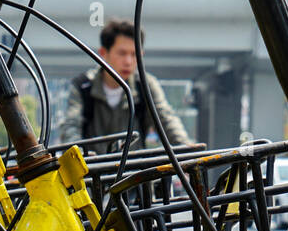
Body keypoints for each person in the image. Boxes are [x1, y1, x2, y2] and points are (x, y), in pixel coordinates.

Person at [58, 18, 190, 150]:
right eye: (122, 53)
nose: (128, 61)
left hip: (135, 169)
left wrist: (186, 149)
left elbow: (166, 120)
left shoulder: (145, 85)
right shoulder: (83, 86)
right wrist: (78, 157)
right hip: (92, 168)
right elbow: (71, 126)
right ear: (103, 53)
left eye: (134, 54)